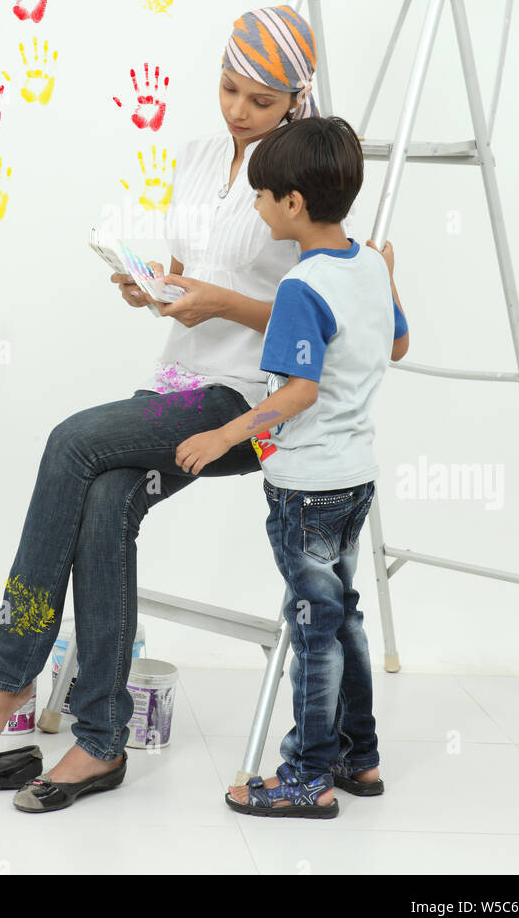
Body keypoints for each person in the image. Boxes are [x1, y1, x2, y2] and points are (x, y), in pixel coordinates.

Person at [0, 4, 322, 810]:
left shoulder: (305, 174)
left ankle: (1, 684)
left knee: (70, 443)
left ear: (294, 100)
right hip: (178, 385)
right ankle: (98, 743)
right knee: (106, 502)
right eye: (229, 88)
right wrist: (152, 289)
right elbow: (197, 277)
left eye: (260, 101)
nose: (237, 111)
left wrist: (223, 303)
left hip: (251, 405)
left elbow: (319, 317)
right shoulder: (197, 156)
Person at [175, 115, 409, 817]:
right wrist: (389, 282)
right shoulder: (368, 262)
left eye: (260, 196)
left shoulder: (300, 290)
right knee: (343, 622)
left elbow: (299, 391)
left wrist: (225, 435)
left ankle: (307, 778)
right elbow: (397, 345)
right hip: (356, 476)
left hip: (307, 486)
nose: (254, 206)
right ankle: (358, 759)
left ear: (293, 205)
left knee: (314, 631)